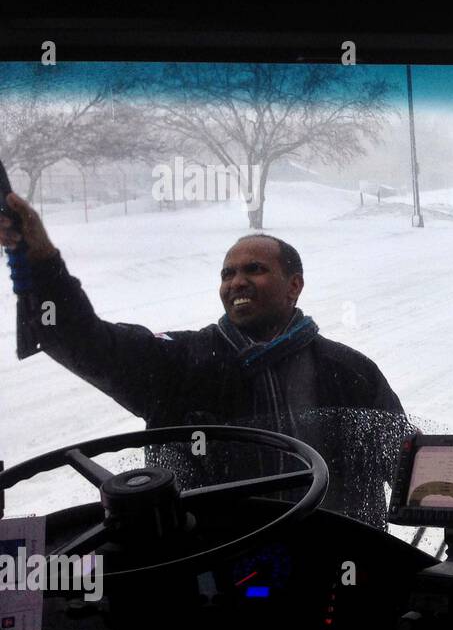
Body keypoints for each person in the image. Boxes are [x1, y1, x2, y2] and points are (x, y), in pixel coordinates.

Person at [1, 190, 406, 525]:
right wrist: (37, 261)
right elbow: (80, 339)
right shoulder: (177, 364)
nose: (237, 282)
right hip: (212, 576)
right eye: (227, 274)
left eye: (254, 269)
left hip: (342, 570)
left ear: (294, 285)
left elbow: (407, 467)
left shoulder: (350, 371)